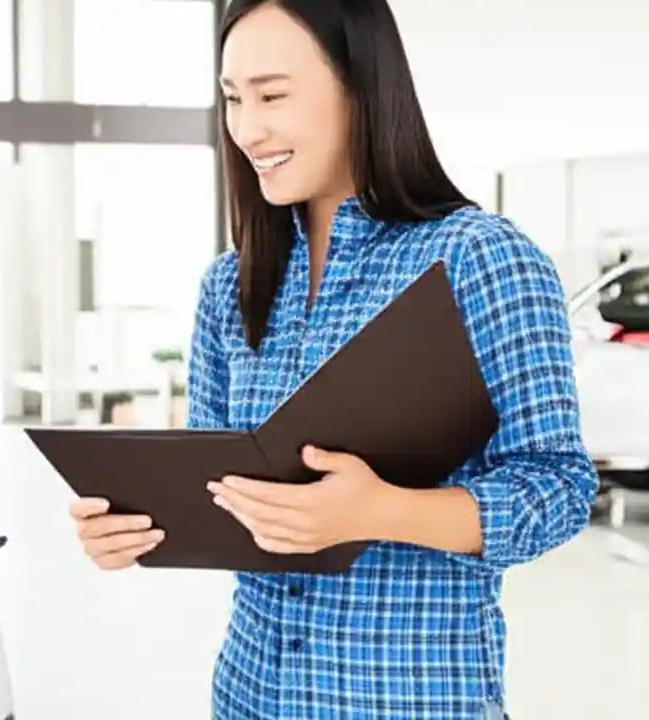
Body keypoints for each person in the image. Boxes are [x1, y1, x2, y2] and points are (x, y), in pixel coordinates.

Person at [69, 1, 597, 718]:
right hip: (252, 694)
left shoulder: (478, 258)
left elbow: (558, 489)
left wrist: (382, 511)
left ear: (360, 87)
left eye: (273, 94)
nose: (248, 128)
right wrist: (135, 526)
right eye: (232, 99)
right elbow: (219, 492)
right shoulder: (229, 286)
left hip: (411, 700)